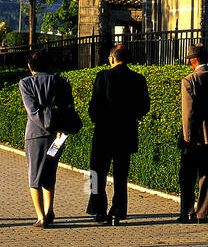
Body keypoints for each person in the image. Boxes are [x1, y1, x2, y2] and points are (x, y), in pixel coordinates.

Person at [86, 44, 150, 226]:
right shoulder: (138, 79)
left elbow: (94, 104)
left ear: (113, 58)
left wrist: (97, 118)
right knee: (121, 175)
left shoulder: (103, 76)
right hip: (126, 132)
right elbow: (144, 107)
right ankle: (118, 211)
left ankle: (99, 210)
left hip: (104, 131)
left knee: (97, 172)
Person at [18, 49, 75, 228]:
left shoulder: (26, 83)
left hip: (35, 134)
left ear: (30, 66)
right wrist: (60, 127)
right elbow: (68, 107)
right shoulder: (61, 81)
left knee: (34, 174)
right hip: (58, 135)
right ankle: (50, 210)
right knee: (51, 171)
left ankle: (40, 215)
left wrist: (46, 124)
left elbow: (32, 111)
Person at [178, 44, 208, 223]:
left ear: (193, 60)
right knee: (206, 174)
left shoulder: (189, 80)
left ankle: (187, 212)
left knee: (187, 175)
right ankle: (202, 213)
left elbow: (188, 113)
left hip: (195, 136)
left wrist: (187, 137)